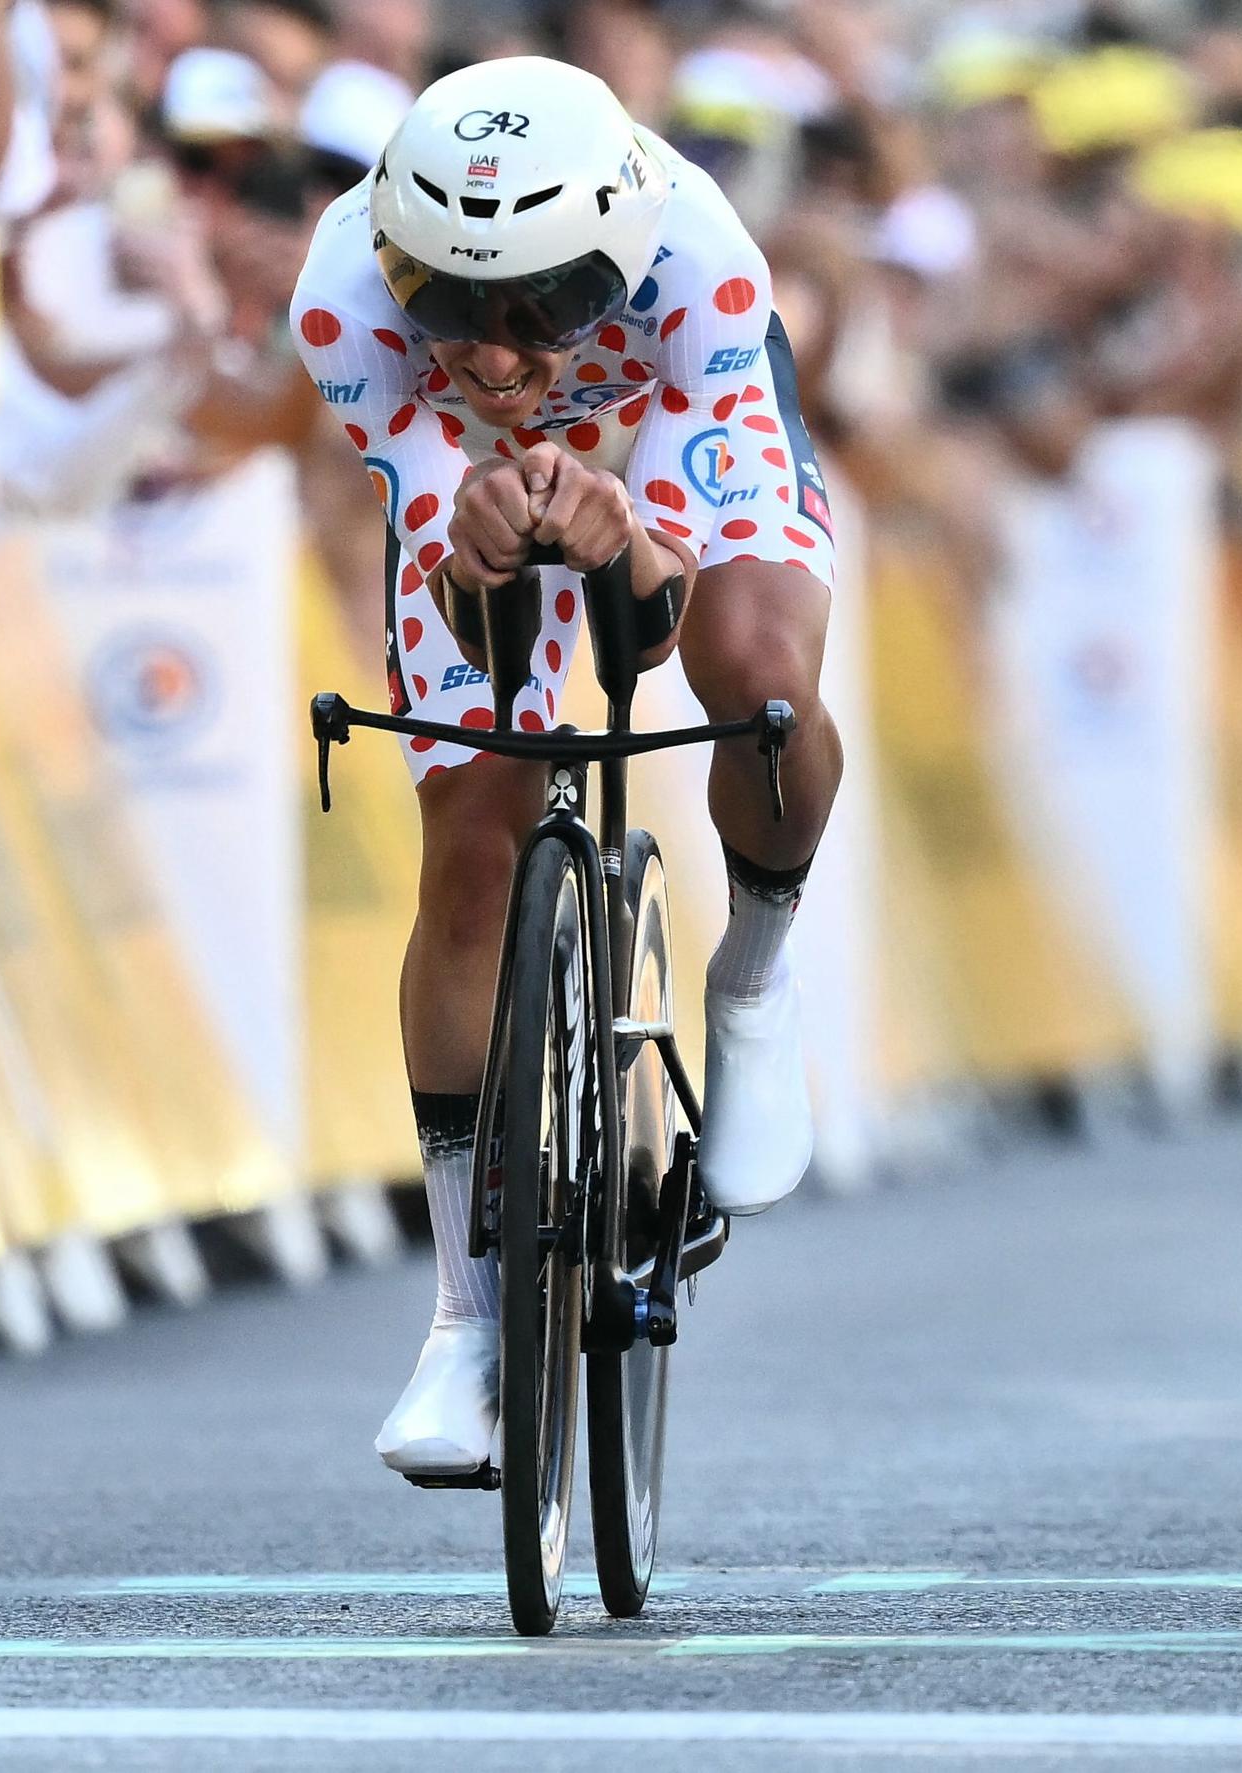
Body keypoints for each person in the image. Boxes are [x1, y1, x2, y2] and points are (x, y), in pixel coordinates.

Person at [290, 55, 842, 1477]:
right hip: (463, 474)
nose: (491, 345)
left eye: (537, 301)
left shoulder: (699, 256)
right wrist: (492, 525)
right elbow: (456, 571)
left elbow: (648, 632)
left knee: (760, 683)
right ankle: (464, 1324)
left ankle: (755, 973)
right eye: (452, 301)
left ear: (613, 248)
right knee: (475, 827)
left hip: (669, 422)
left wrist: (621, 540)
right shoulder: (340, 295)